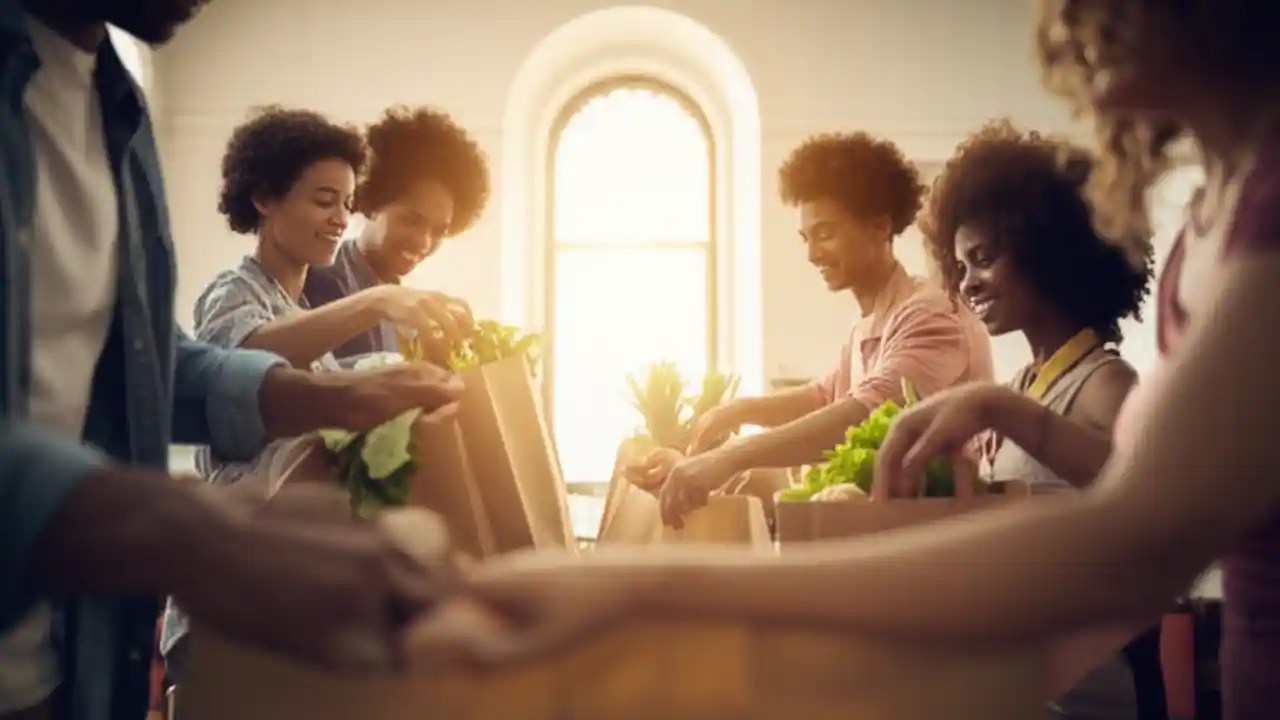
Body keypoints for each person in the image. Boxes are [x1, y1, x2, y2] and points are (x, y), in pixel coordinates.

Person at [419, 2, 1280, 719]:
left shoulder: (1255, 212)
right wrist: (739, 425)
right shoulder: (1218, 203)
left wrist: (649, 588)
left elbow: (1128, 534)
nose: (1069, 20)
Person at [0, 2, 458, 719]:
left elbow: (144, 369)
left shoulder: (117, 115)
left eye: (346, 201)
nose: (339, 218)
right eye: (324, 200)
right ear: (265, 198)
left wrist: (332, 399)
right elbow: (230, 349)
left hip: (77, 661)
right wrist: (200, 531)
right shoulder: (243, 292)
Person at [921, 119, 1155, 719]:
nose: (967, 282)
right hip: (1017, 675)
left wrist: (1003, 411)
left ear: (1045, 253)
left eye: (983, 259)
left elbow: (1131, 492)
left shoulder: (1106, 380)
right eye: (960, 265)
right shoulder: (1025, 384)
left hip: (1078, 691)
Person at [648, 132, 993, 527]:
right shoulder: (871, 321)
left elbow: (860, 414)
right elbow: (824, 395)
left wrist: (732, 455)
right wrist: (736, 411)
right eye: (806, 238)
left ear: (880, 228)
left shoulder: (931, 313)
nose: (813, 255)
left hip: (947, 535)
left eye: (826, 233)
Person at [303, 105, 490, 360]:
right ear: (370, 203)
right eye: (411, 220)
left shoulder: (407, 304)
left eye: (438, 231)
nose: (423, 242)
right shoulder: (321, 278)